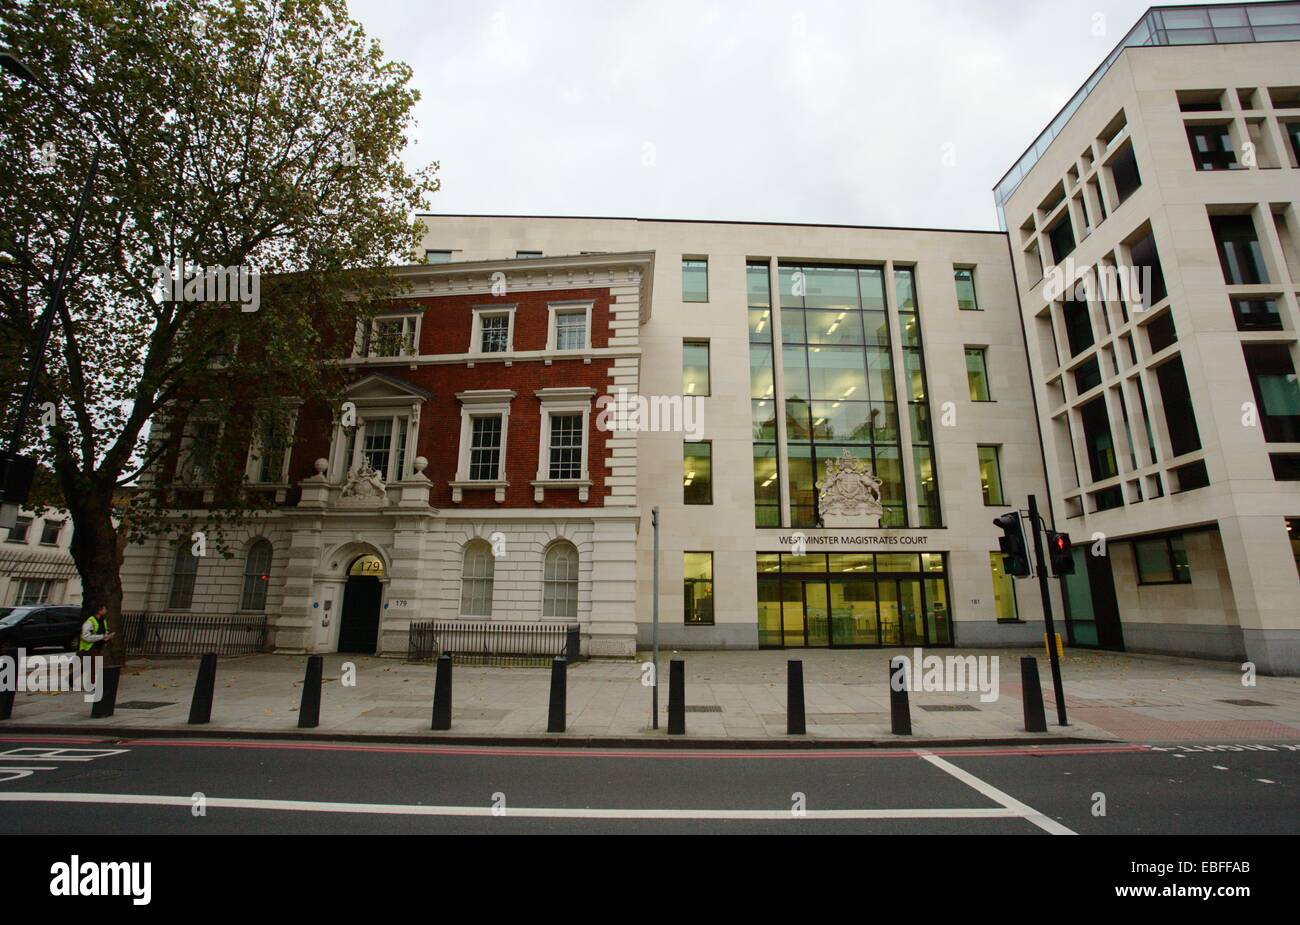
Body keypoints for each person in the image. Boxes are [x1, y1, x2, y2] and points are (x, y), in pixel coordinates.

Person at [80, 605, 114, 683]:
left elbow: (103, 632)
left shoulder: (102, 620)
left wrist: (106, 636)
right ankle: (93, 683)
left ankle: (70, 679)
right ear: (99, 610)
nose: (106, 610)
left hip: (98, 646)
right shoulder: (90, 621)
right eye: (105, 609)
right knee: (95, 665)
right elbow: (86, 636)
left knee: (87, 665)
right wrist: (102, 636)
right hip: (90, 647)